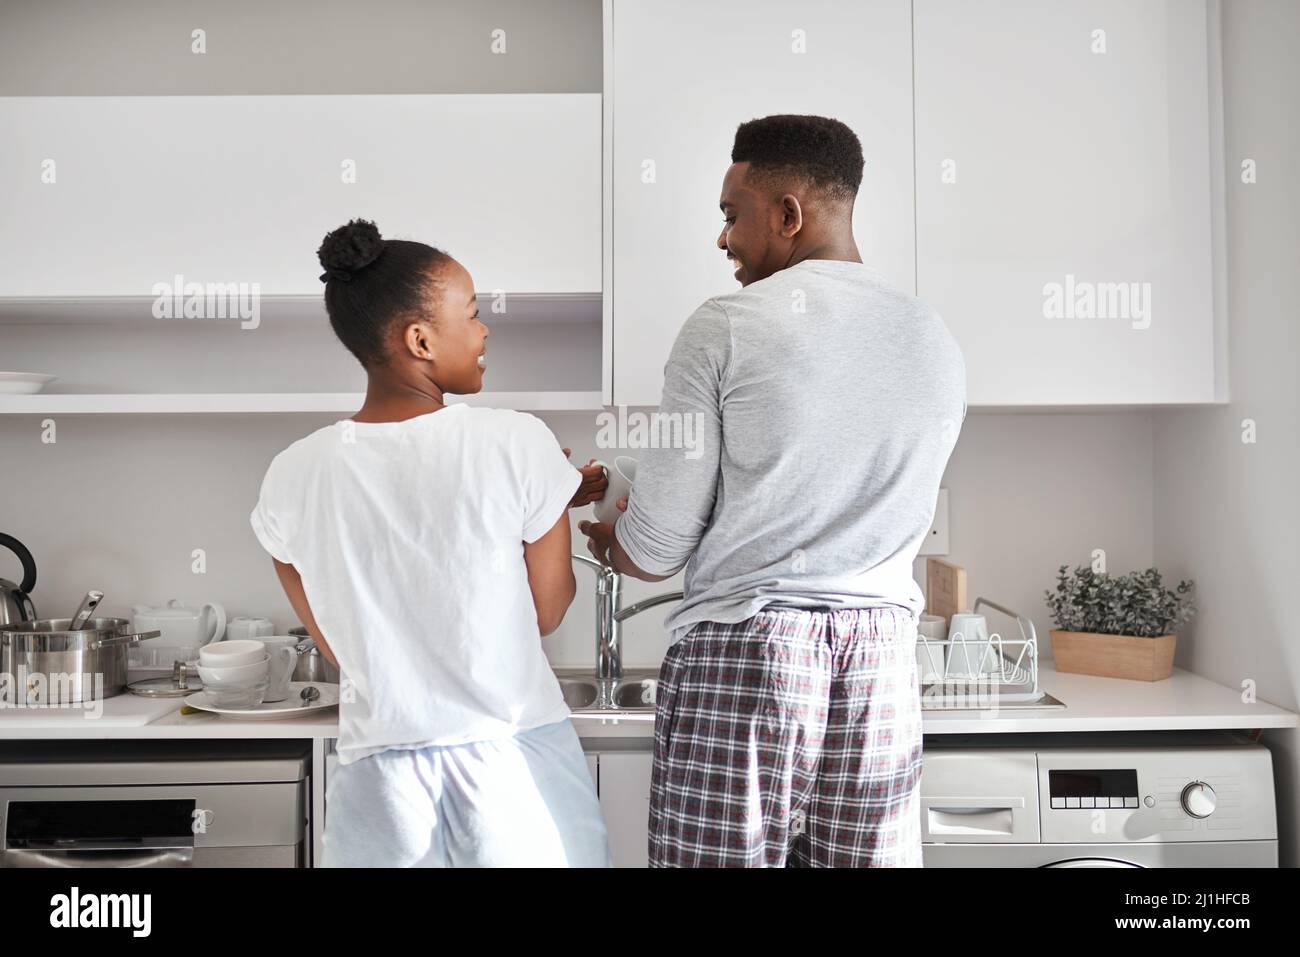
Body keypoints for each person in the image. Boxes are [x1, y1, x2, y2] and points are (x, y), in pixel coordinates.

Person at [580, 115, 967, 867]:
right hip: (883, 662)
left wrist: (610, 540)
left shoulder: (726, 325)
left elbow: (655, 547)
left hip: (749, 655)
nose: (722, 239)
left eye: (732, 215)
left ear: (789, 214)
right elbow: (798, 478)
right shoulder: (934, 339)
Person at [250, 219, 612, 867]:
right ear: (420, 338)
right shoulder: (516, 440)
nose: (483, 331)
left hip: (380, 782)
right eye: (471, 315)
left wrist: (545, 492)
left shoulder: (295, 471)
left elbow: (312, 601)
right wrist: (551, 499)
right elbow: (548, 610)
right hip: (510, 763)